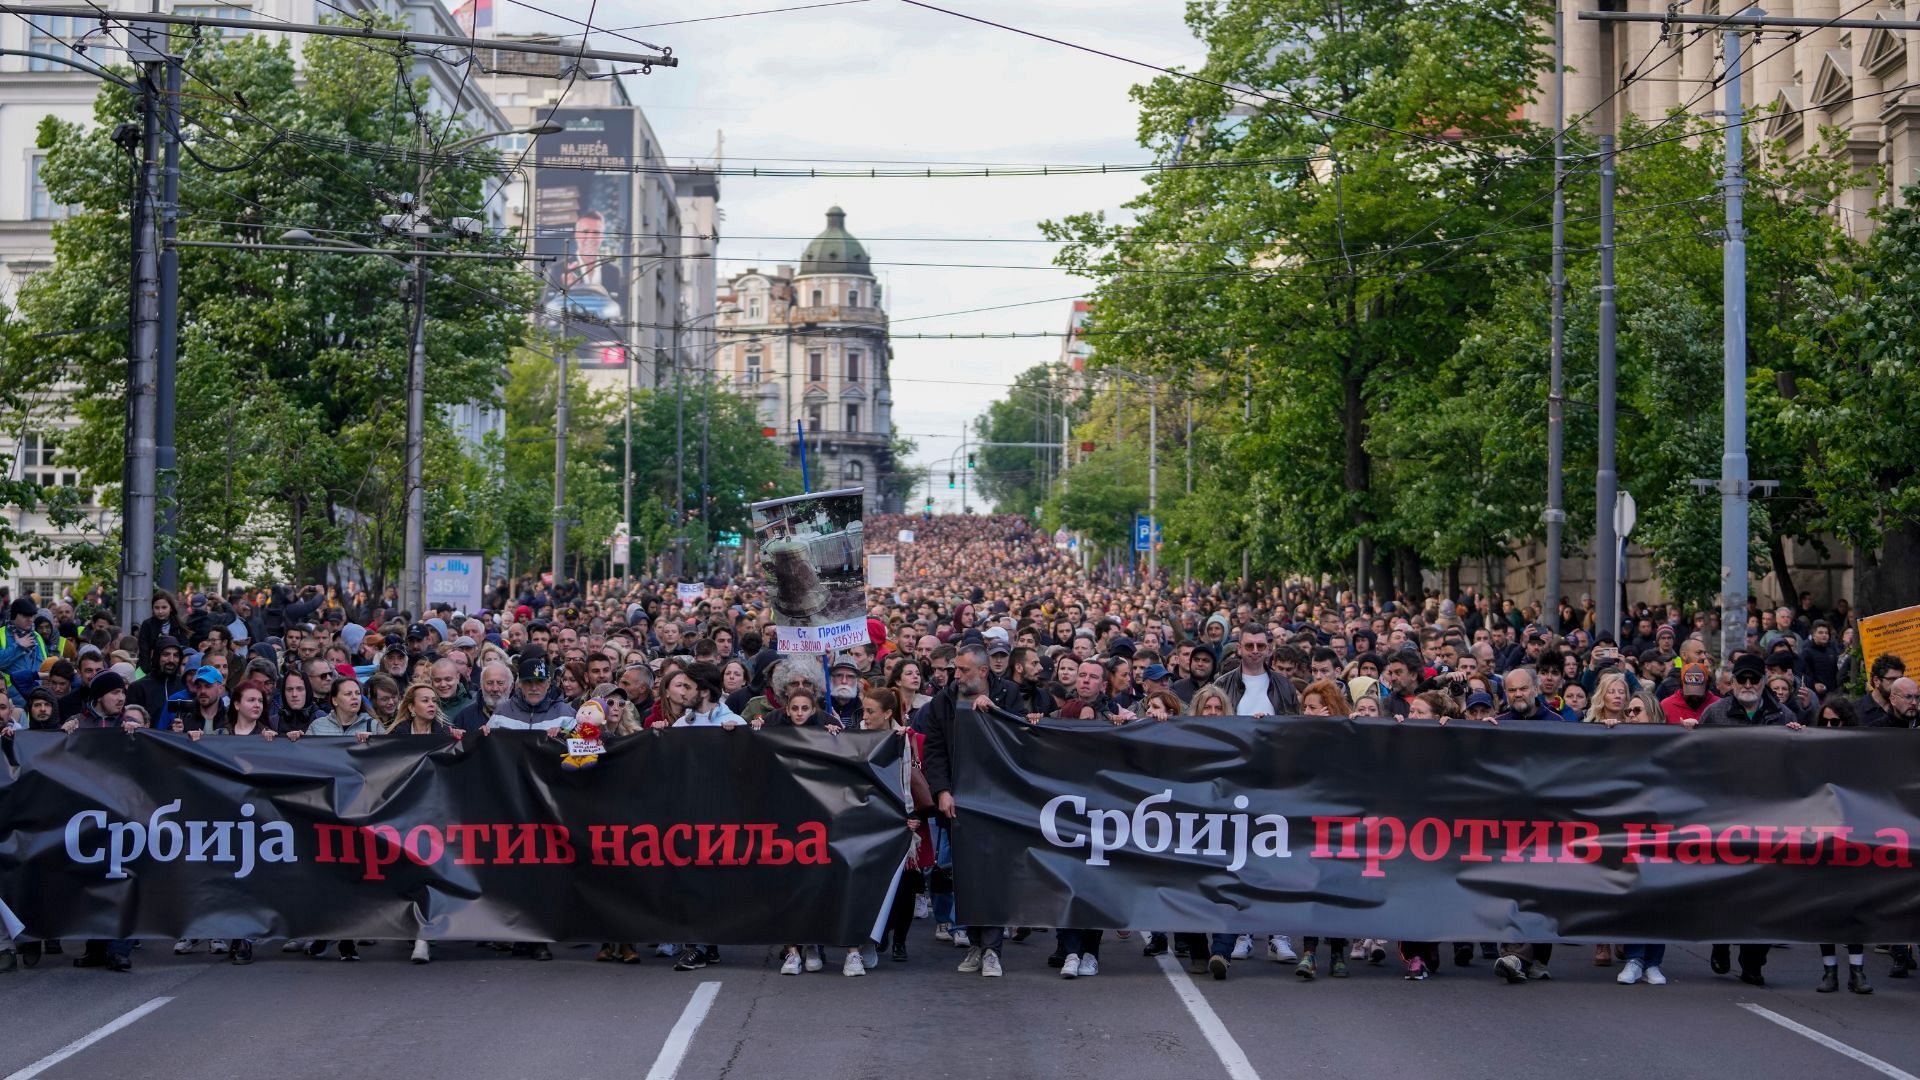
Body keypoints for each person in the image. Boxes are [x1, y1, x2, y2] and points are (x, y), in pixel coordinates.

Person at [920, 644, 1026, 978]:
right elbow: (934, 750)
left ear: (983, 672)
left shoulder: (1008, 694)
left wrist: (995, 713)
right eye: (955, 669)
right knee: (965, 876)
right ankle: (976, 944)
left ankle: (992, 949)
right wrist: (942, 791)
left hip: (996, 800)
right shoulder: (943, 701)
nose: (956, 675)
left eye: (964, 670)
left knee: (992, 875)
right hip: (959, 799)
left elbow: (1021, 739)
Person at [1211, 625, 1298, 716]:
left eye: (1260, 646)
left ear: (1268, 649)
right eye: (1249, 646)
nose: (1255, 650)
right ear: (1239, 649)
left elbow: (1293, 724)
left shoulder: (1285, 685)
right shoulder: (1222, 684)